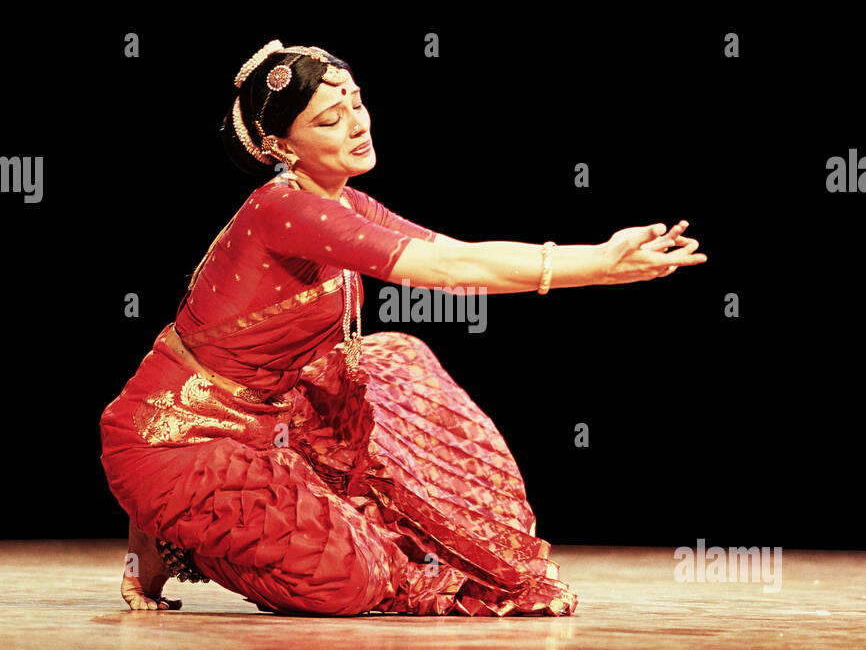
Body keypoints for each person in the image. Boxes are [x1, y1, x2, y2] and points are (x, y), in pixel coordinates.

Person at [99, 41, 707, 617]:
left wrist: (601, 266)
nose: (357, 123)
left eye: (356, 103)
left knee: (397, 361)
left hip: (265, 425)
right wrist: (600, 263)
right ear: (281, 145)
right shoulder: (282, 208)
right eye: (330, 119)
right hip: (175, 439)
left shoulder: (345, 203)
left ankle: (200, 519)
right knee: (353, 579)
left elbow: (455, 251)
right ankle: (177, 535)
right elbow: (448, 270)